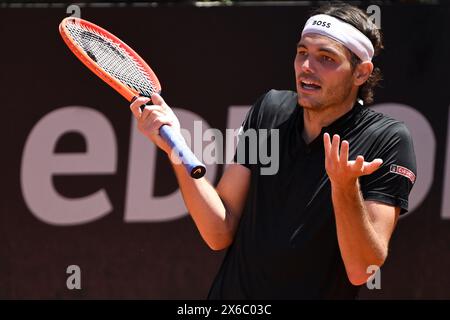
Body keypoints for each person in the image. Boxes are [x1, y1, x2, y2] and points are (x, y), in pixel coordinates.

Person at [129, 2, 417, 299]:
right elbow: (220, 229)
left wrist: (344, 188)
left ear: (360, 73)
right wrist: (176, 148)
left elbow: (362, 269)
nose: (307, 66)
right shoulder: (269, 110)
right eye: (302, 53)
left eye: (326, 58)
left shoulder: (386, 139)